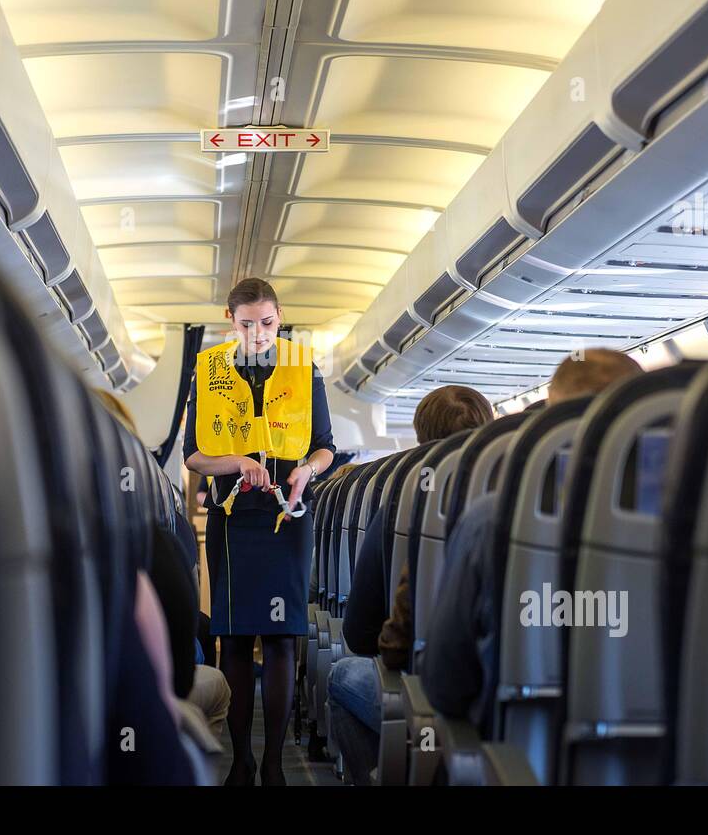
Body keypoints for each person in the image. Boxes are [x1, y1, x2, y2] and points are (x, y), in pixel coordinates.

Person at [421, 348, 642, 740]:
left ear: (552, 424)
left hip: (515, 758)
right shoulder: (706, 523)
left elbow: (445, 686)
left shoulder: (491, 520)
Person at [182, 278, 336, 785]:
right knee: (233, 636)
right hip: (234, 516)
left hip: (287, 513)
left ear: (279, 317)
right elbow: (193, 456)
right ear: (230, 319)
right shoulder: (209, 373)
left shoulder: (303, 368)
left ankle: (273, 762)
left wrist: (306, 472)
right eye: (247, 323)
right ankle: (242, 760)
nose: (258, 333)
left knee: (281, 641)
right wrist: (237, 461)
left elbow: (324, 447)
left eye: (267, 323)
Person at [328, 385, 495, 785]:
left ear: (420, 437)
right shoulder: (523, 498)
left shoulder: (402, 501)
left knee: (343, 676)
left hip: (441, 698)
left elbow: (359, 634)